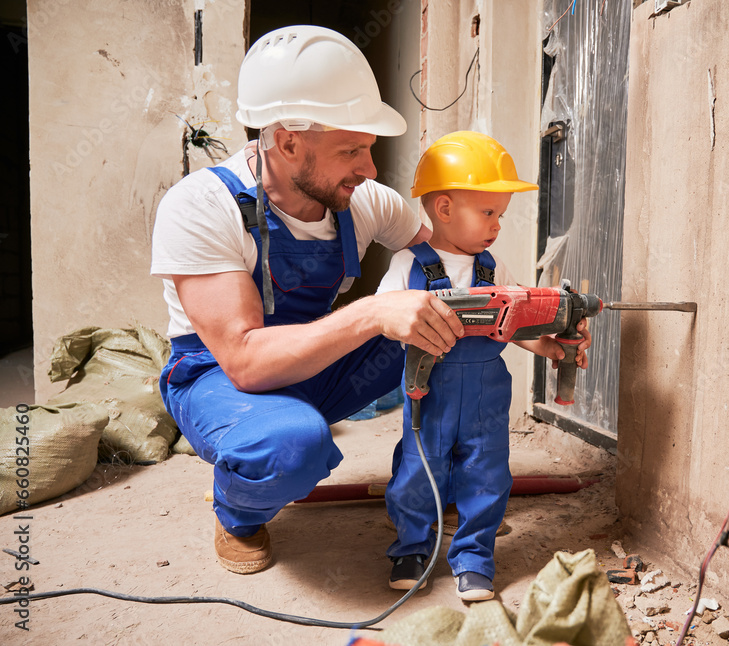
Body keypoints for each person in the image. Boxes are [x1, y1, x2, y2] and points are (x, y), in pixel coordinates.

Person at [150, 26, 465, 574]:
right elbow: (245, 361)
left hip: (319, 363)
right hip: (220, 378)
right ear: (288, 140)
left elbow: (459, 272)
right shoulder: (200, 206)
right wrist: (372, 312)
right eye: (351, 150)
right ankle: (238, 515)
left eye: (369, 149)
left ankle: (422, 490)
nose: (368, 169)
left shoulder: (365, 201)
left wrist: (532, 323)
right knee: (290, 445)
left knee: (443, 306)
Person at [376, 132, 591, 601]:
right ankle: (412, 548)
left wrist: (551, 345)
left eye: (501, 215)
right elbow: (382, 318)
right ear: (445, 209)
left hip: (487, 397)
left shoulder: (495, 271)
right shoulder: (407, 264)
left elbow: (517, 324)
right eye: (488, 213)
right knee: (418, 469)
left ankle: (474, 558)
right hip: (427, 392)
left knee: (486, 473)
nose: (497, 226)